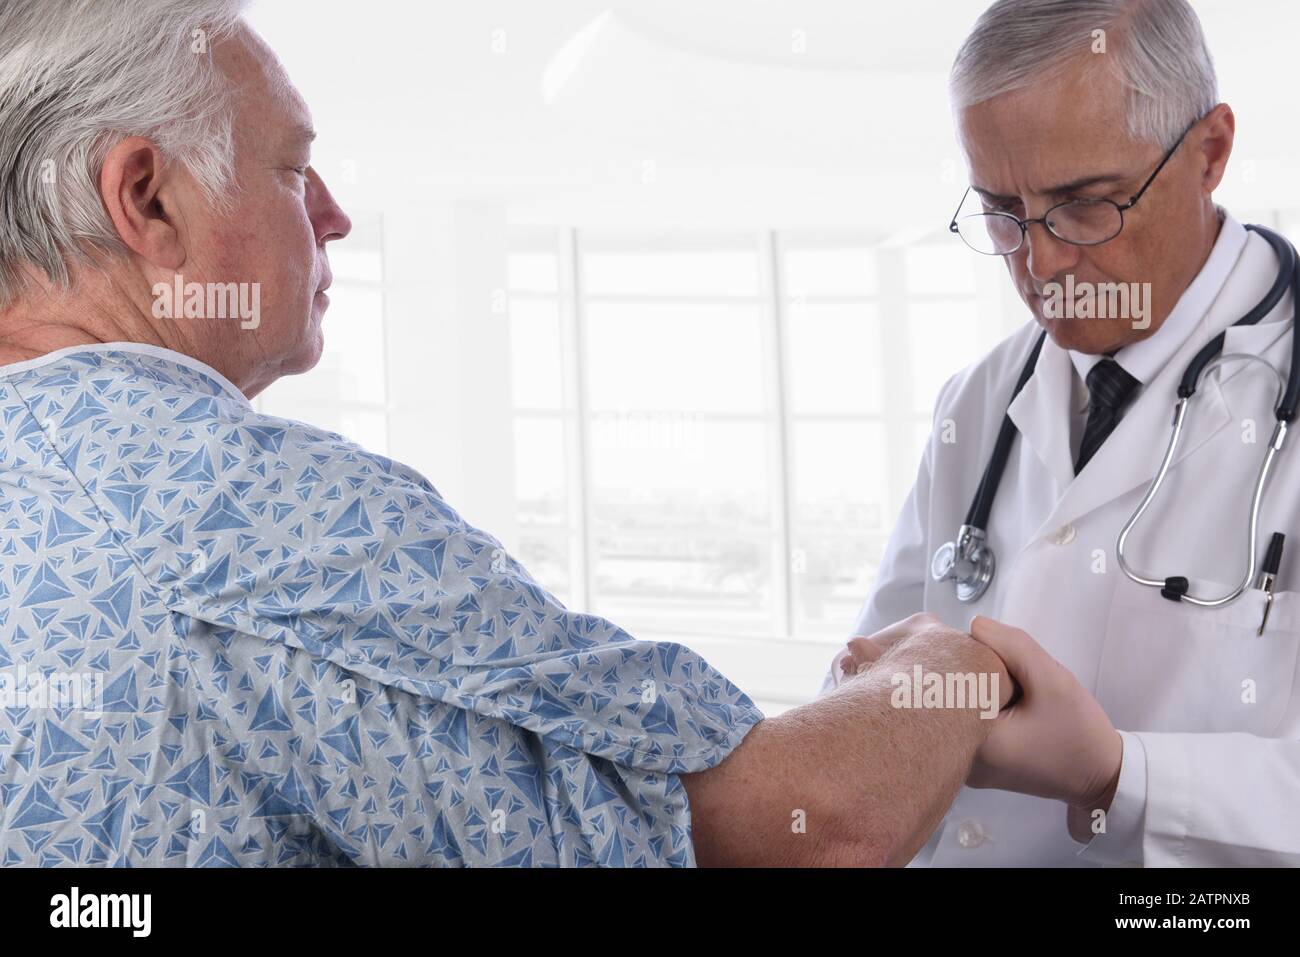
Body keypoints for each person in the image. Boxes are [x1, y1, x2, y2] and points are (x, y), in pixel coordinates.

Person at [0, 0, 1011, 867]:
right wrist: (951, 668)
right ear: (145, 198)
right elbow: (812, 825)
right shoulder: (257, 509)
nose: (334, 215)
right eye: (291, 168)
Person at [825, 0, 1300, 866]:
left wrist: (1120, 774)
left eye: (1084, 206)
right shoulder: (979, 400)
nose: (1040, 264)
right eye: (1004, 212)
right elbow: (875, 670)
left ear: (1211, 153)